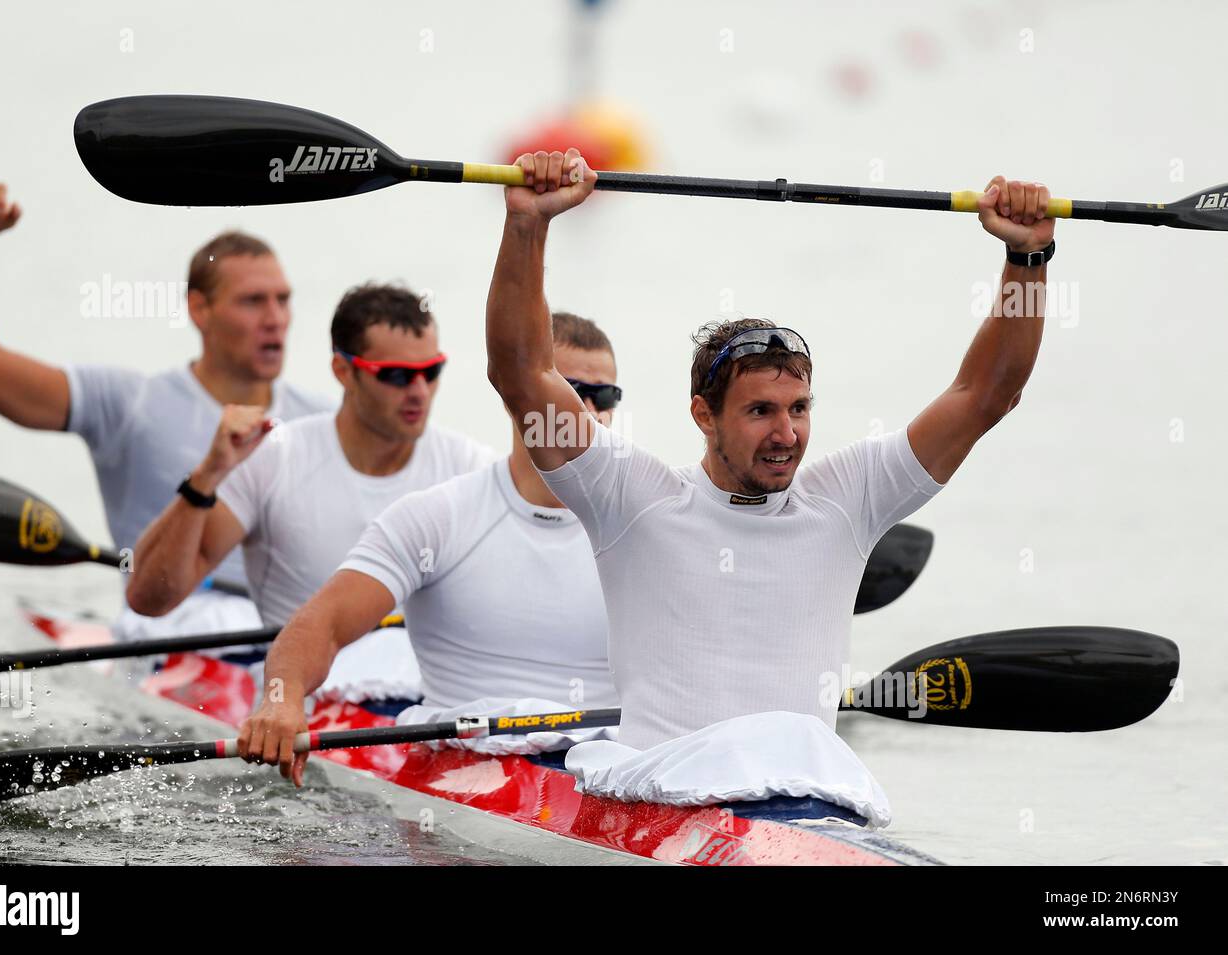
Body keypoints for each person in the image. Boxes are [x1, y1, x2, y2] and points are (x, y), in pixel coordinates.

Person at [483, 149, 1054, 823]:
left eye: (800, 409)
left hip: (804, 809)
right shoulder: (629, 497)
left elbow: (987, 393)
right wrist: (528, 225)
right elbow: (520, 374)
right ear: (703, 415)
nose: (786, 433)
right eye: (760, 411)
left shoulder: (848, 499)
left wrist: (1028, 259)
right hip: (660, 804)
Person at [234, 312, 622, 785]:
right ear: (516, 397)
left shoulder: (643, 522)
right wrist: (282, 697)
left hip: (609, 768)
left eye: (602, 397)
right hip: (470, 768)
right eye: (569, 391)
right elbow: (323, 625)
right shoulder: (438, 517)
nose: (588, 412)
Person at [0, 182, 331, 640]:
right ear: (199, 309)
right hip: (178, 620)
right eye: (252, 301)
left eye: (283, 299)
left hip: (295, 622)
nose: (275, 317)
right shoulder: (129, 404)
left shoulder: (323, 419)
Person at [126, 283, 495, 701]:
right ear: (343, 371)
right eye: (396, 375)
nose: (419, 391)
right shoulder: (275, 460)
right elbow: (148, 599)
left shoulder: (468, 466)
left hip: (429, 702)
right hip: (314, 699)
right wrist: (208, 476)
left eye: (432, 371)